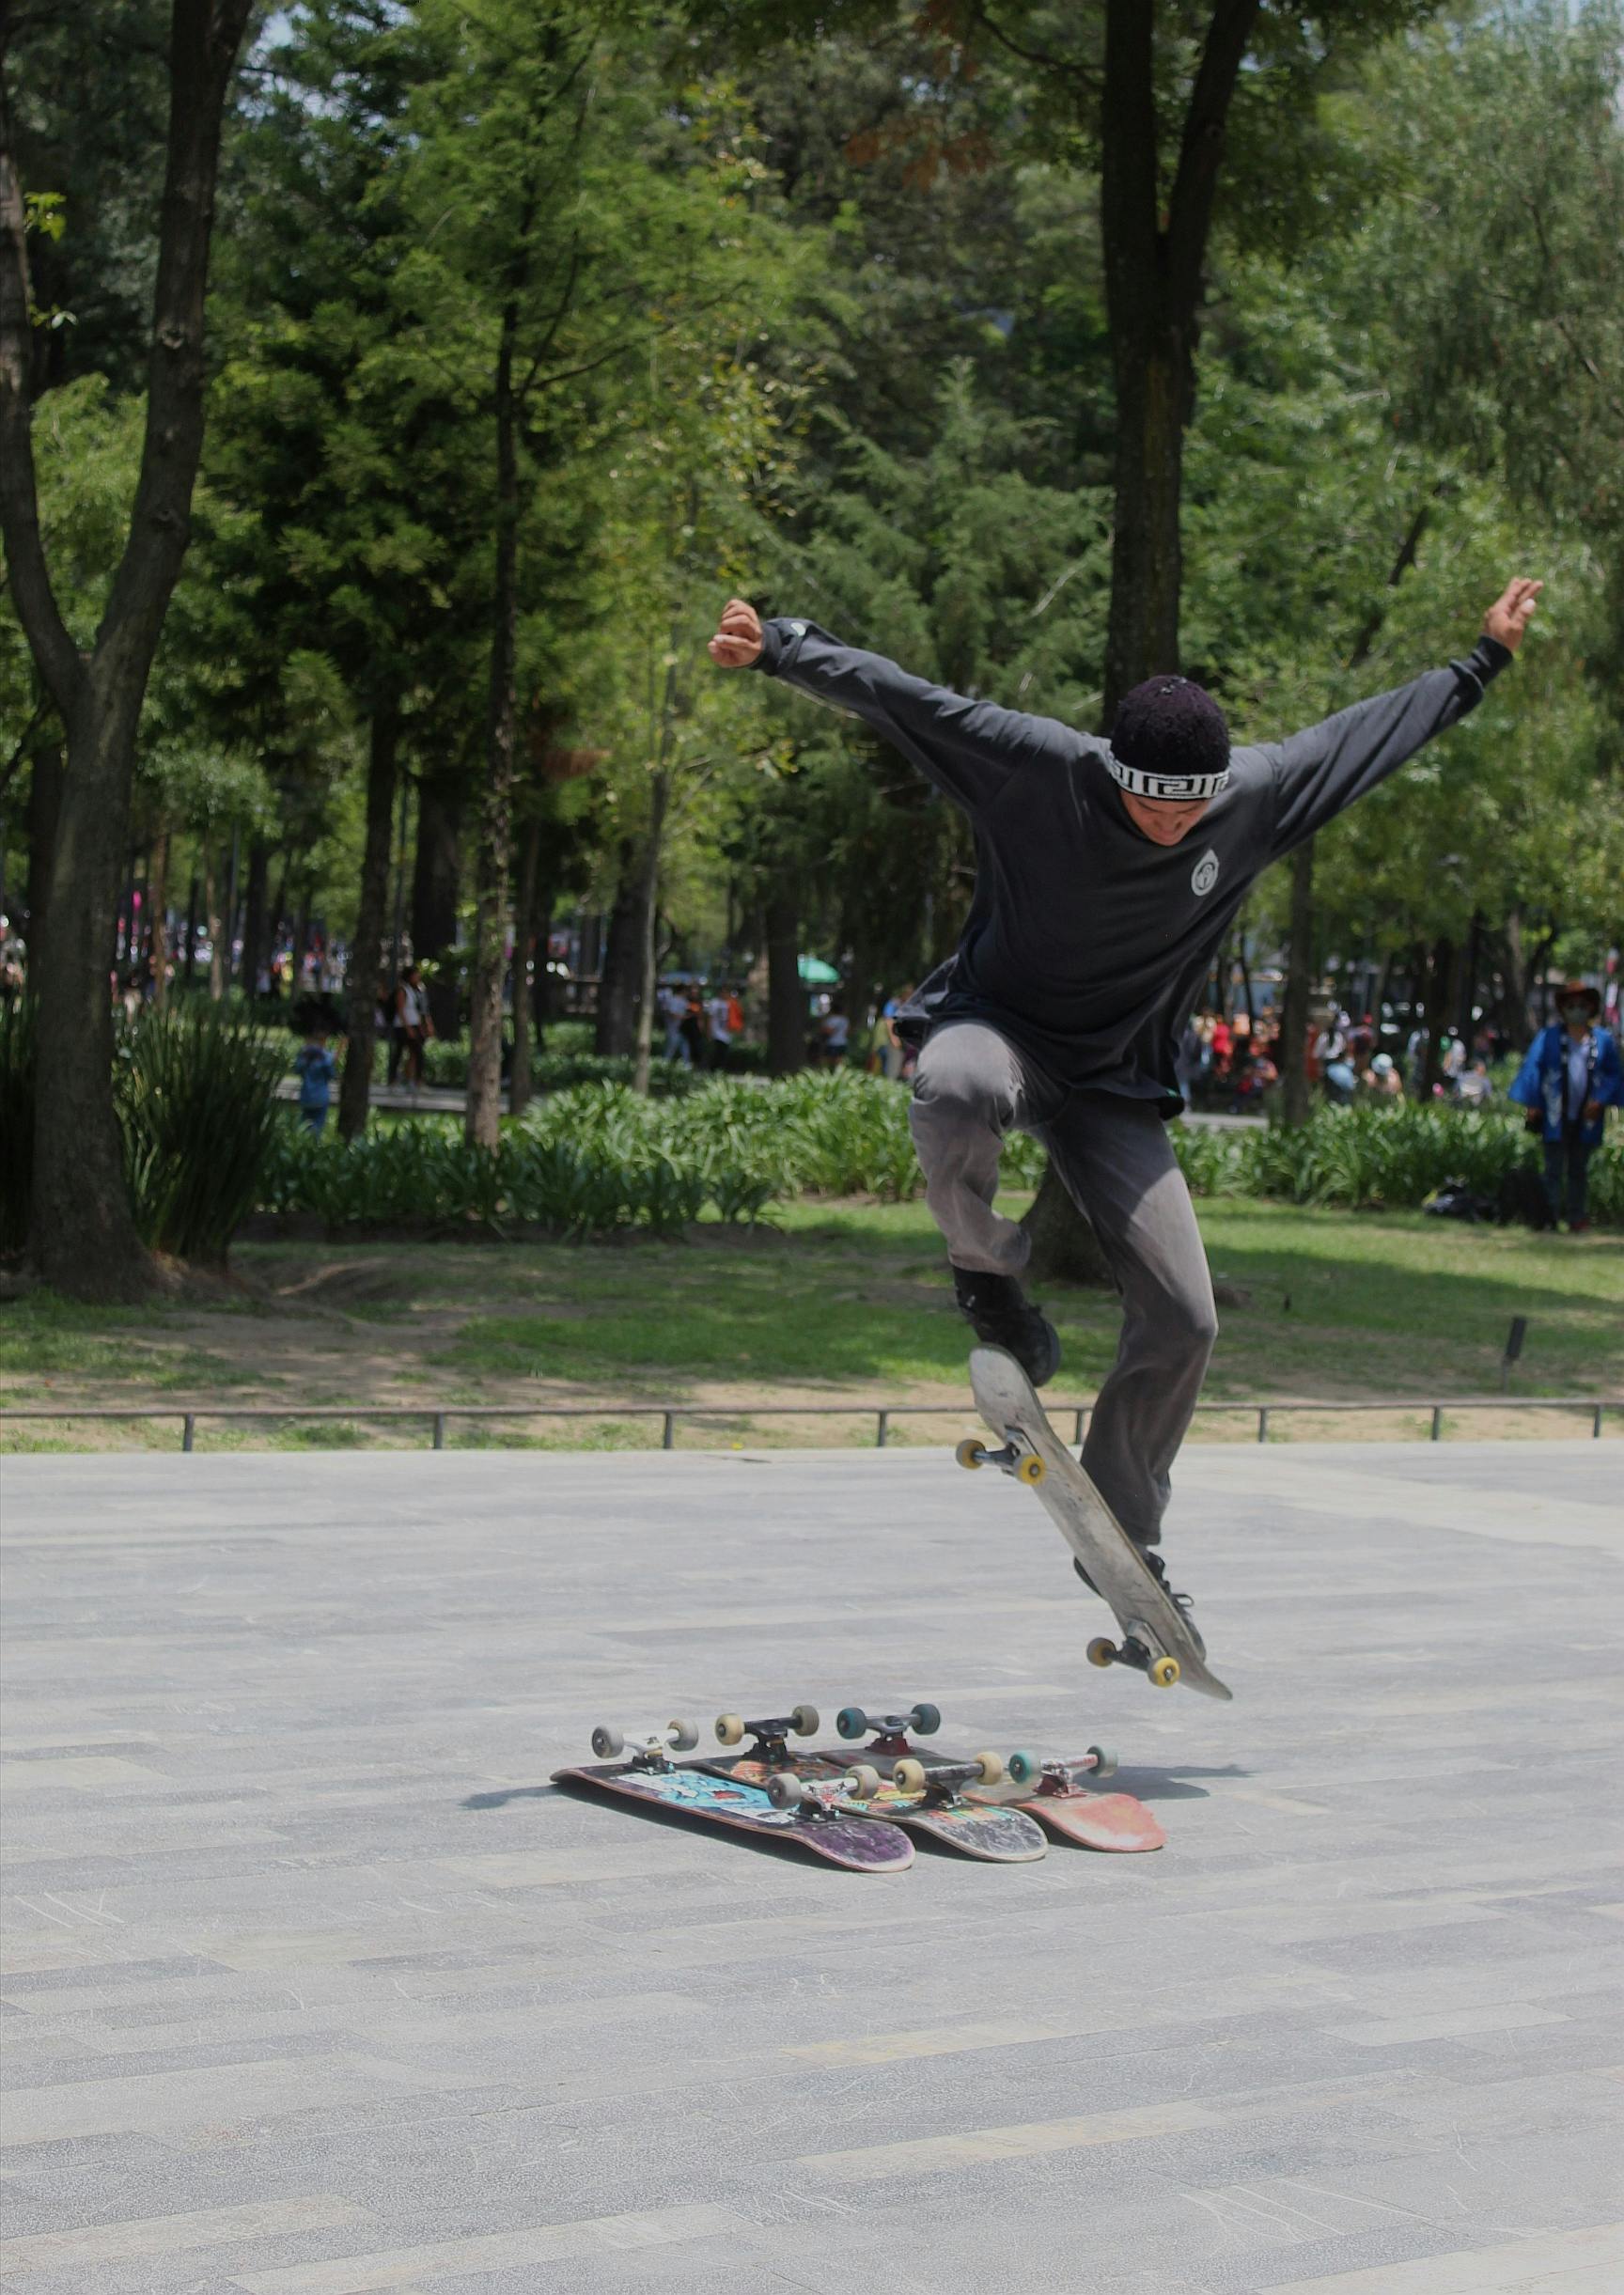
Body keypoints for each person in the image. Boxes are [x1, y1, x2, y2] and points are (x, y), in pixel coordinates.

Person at [709, 575, 1540, 1629]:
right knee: (951, 1085)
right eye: (1149, 798)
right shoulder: (1040, 768)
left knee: (1187, 1317)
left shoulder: (1256, 795)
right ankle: (992, 1283)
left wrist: (1479, 664)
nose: (1168, 821)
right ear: (1115, 771)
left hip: (1114, 1085)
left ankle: (1124, 1535)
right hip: (999, 1031)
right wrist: (782, 646)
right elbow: (907, 700)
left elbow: (1365, 739)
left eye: (1189, 806)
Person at [1508, 980, 1621, 1233]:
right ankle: (1548, 1217)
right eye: (1571, 1005)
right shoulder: (1548, 1037)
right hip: (1554, 1115)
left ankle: (1576, 1218)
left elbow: (1614, 1074)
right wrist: (1533, 1103)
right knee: (1553, 1169)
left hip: (1587, 1115)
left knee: (1578, 1170)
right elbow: (1533, 1068)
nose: (1576, 1009)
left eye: (1582, 1005)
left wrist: (1601, 1100)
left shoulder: (1602, 1040)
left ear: (1591, 1007)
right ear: (1563, 1008)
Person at [394, 963, 433, 1096]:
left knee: (415, 1053)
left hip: (415, 1024)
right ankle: (396, 1081)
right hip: (403, 1025)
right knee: (401, 1053)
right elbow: (400, 1010)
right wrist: (408, 1028)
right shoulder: (403, 990)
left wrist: (424, 1025)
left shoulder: (418, 990)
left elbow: (422, 1010)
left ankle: (412, 1080)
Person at [293, 1025, 337, 1134]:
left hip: (306, 1096)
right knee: (317, 1126)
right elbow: (331, 1075)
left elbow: (297, 1070)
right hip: (320, 1098)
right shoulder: (325, 1057)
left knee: (304, 1125)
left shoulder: (303, 1056)